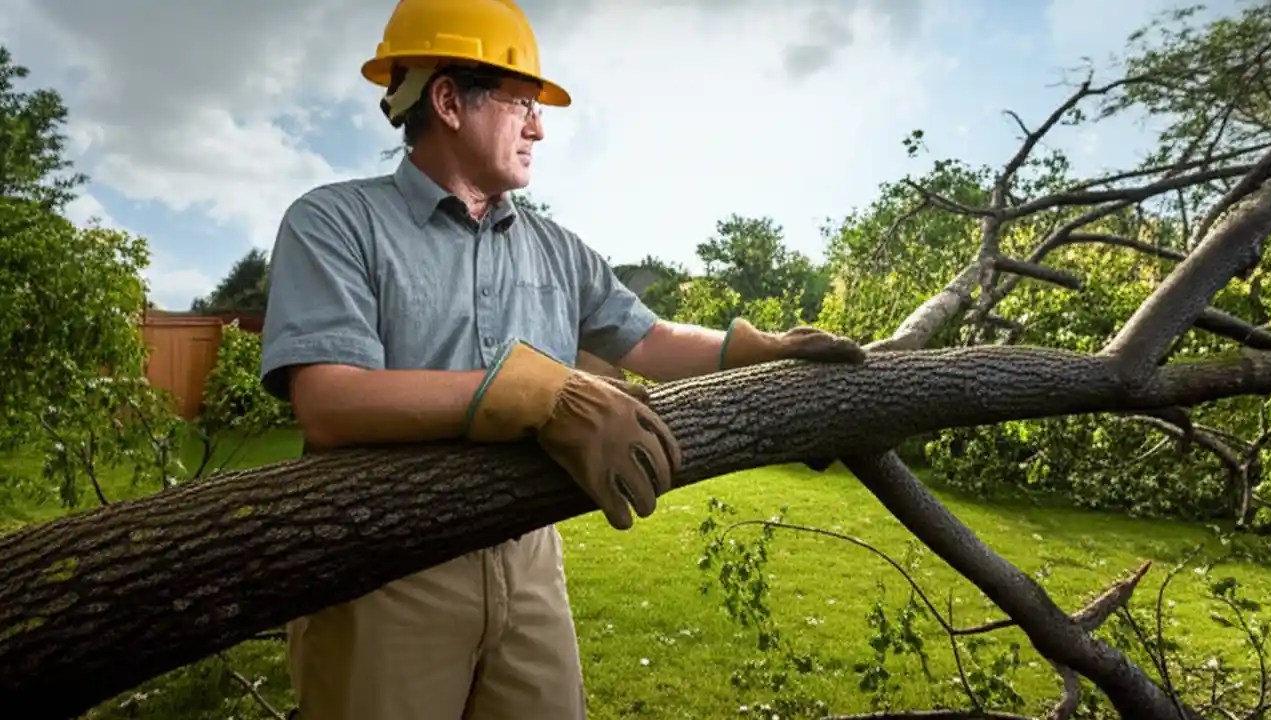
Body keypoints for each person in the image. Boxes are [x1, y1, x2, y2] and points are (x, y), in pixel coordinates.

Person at [257, 1, 864, 718]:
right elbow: (331, 401)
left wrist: (749, 350)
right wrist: (538, 394)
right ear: (449, 100)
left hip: (529, 561)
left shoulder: (557, 248)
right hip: (383, 569)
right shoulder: (335, 223)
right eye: (522, 104)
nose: (539, 127)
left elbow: (648, 340)